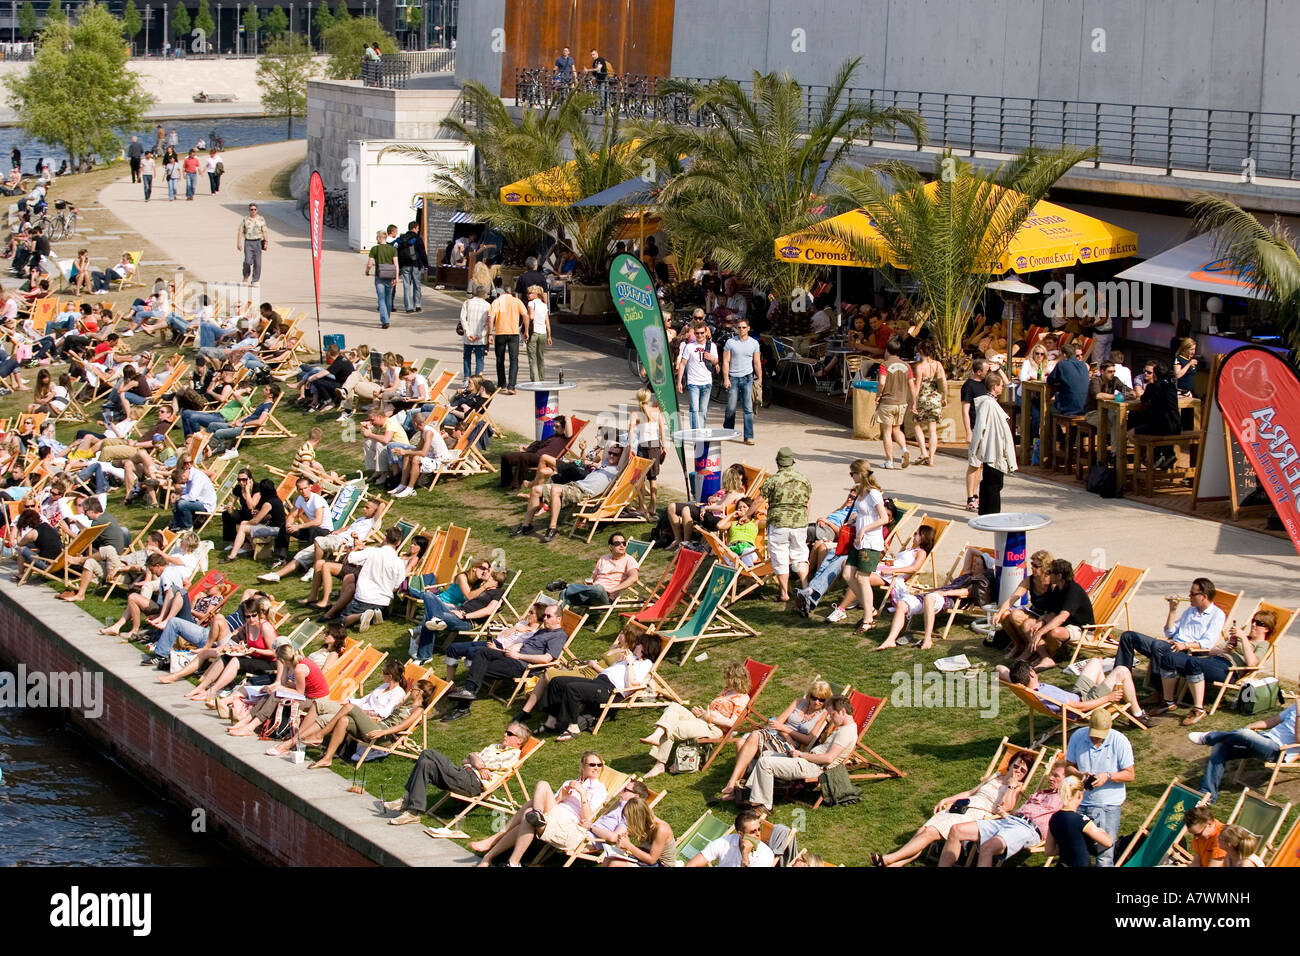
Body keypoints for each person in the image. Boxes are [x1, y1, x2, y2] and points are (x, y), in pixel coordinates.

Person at [872, 751, 1031, 866]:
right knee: (924, 831)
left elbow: (1007, 808)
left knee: (929, 833)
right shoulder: (996, 776)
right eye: (1016, 766)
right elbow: (971, 792)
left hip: (978, 814)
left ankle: (889, 859)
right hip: (963, 806)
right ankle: (896, 864)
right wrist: (948, 799)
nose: (1017, 771)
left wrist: (1011, 784)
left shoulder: (1017, 787)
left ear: (1025, 775)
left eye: (1022, 770)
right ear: (1010, 764)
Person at [470, 750, 608, 865]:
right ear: (583, 766)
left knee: (535, 802)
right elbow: (549, 802)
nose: (596, 767)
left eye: (599, 764)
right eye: (592, 764)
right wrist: (560, 798)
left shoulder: (600, 789)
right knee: (536, 798)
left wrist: (583, 793)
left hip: (570, 826)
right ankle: (507, 861)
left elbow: (588, 819)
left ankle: (493, 848)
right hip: (554, 816)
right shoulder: (569, 783)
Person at [1114, 577, 1226, 715]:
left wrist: (1184, 645)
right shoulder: (1190, 611)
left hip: (1188, 652)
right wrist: (1172, 611)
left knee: (1159, 647)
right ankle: (1120, 683)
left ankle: (1160, 693)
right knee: (1128, 636)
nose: (1189, 596)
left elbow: (1208, 642)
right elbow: (1169, 632)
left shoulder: (1217, 615)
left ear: (1204, 596)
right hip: (1172, 645)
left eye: (1192, 593)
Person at [382, 723, 529, 826]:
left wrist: (476, 761)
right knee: (425, 764)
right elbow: (468, 758)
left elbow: (479, 760)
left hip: (472, 783)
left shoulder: (512, 755)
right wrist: (476, 762)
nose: (504, 734)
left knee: (428, 753)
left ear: (519, 740)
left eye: (509, 734)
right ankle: (413, 811)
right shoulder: (494, 747)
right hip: (463, 774)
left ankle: (407, 801)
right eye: (506, 731)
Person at [442, 602, 569, 720]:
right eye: (545, 615)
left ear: (558, 619)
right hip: (511, 655)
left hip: (520, 665)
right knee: (482, 652)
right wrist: (511, 649)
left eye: (549, 616)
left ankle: (463, 706)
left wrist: (519, 656)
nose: (545, 618)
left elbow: (546, 658)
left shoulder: (558, 636)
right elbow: (525, 643)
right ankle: (468, 692)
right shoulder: (542, 631)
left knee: (479, 667)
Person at [525, 634, 660, 742]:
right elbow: (610, 671)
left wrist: (630, 664)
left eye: (638, 644)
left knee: (573, 689)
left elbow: (631, 685)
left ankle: (573, 727)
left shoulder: (646, 664)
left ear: (644, 647)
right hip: (599, 680)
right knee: (557, 682)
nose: (635, 646)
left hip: (610, 691)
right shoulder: (632, 658)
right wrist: (618, 662)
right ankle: (551, 722)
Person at [739, 694, 858, 812]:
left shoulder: (846, 732)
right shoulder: (846, 728)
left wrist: (801, 754)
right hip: (809, 760)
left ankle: (764, 805)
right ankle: (749, 792)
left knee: (765, 763)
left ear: (842, 712)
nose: (831, 719)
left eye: (832, 714)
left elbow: (828, 759)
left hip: (814, 767)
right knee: (766, 755)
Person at [938, 759, 1066, 866]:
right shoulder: (1041, 793)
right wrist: (1006, 814)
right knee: (956, 830)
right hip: (1011, 820)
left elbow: (1079, 783)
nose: (1050, 778)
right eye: (1052, 774)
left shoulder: (1065, 798)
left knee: (987, 848)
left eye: (1056, 776)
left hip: (1028, 829)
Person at [718, 680, 831, 800]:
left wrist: (785, 730)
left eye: (821, 700)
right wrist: (786, 733)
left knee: (749, 738)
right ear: (809, 695)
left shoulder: (823, 714)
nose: (817, 702)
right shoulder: (799, 702)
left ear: (826, 700)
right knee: (741, 741)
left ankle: (735, 787)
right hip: (777, 736)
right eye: (814, 698)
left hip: (791, 748)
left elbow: (809, 739)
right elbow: (777, 722)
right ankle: (735, 786)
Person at [639, 659, 751, 778]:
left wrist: (709, 718)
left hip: (713, 728)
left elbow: (732, 723)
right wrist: (702, 714)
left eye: (727, 677)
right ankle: (657, 735)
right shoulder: (726, 690)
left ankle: (659, 765)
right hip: (703, 720)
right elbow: (714, 710)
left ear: (735, 679)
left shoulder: (742, 698)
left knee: (673, 726)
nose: (725, 680)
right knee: (673, 707)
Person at [1161, 610, 1271, 728]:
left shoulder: (1263, 644)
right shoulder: (1238, 639)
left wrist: (1243, 638)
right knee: (1168, 657)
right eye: (1253, 621)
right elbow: (1212, 650)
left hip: (1228, 670)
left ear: (1267, 629)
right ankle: (1168, 702)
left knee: (1193, 662)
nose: (1253, 624)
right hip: (1213, 660)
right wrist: (1226, 650)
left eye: (1259, 623)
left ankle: (1198, 710)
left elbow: (1252, 663)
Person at [877, 547, 995, 652]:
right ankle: (891, 640)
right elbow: (970, 550)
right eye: (975, 562)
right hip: (937, 595)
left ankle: (927, 639)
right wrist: (985, 556)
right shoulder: (968, 573)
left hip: (949, 600)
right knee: (902, 604)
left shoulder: (980, 582)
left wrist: (944, 593)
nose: (974, 565)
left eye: (978, 564)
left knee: (929, 598)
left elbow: (965, 592)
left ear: (985, 570)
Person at [510, 441, 627, 543]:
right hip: (575, 486)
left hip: (586, 492)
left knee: (556, 489)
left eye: (615, 454)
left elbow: (627, 450)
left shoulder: (618, 469)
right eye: (610, 453)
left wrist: (632, 427)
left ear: (621, 457)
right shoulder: (605, 464)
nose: (611, 455)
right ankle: (526, 525)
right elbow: (607, 444)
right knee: (536, 489)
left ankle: (552, 527)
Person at [1189, 697, 1299, 803]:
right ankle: (1207, 795)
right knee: (1221, 747)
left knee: (1244, 734)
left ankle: (1209, 737)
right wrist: (1250, 726)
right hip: (1264, 740)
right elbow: (1274, 720)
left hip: (1279, 751)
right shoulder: (1296, 706)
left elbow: (1299, 740)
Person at [824, 459, 889, 633]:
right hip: (859, 541)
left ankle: (868, 618)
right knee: (847, 574)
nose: (851, 476)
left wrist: (864, 529)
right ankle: (870, 610)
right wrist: (855, 523)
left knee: (862, 578)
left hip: (870, 542)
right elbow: (865, 514)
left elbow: (884, 518)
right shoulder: (860, 492)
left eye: (852, 473)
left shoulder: (874, 493)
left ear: (860, 473)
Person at [1064, 710, 1135, 866]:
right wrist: (1080, 774)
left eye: (1100, 735)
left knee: (1104, 856)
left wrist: (1108, 776)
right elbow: (1068, 767)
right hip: (1081, 803)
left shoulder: (1120, 741)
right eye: (1094, 734)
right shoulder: (1078, 737)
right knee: (1076, 852)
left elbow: (1130, 774)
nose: (1096, 738)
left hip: (1108, 806)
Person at [999, 658, 1147, 722]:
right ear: (1032, 673)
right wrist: (1108, 698)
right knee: (1122, 670)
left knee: (1095, 662)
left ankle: (1108, 703)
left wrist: (1016, 682)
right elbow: (1078, 707)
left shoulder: (1026, 688)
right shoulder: (1045, 694)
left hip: (1078, 693)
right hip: (1085, 703)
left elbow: (999, 668)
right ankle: (1137, 715)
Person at [760, 446, 812, 603]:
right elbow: (807, 501)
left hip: (779, 523)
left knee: (780, 557)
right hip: (800, 523)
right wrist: (803, 518)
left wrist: (747, 515)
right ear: (792, 462)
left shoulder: (773, 480)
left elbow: (759, 500)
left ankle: (784, 593)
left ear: (778, 462)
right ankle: (805, 586)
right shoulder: (803, 479)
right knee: (800, 555)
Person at [968, 369, 1017, 516]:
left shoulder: (989, 403)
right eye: (1000, 385)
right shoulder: (987, 404)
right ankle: (990, 513)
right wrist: (974, 450)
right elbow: (979, 429)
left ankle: (988, 513)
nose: (1002, 388)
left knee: (993, 482)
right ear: (994, 386)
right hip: (992, 449)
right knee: (993, 483)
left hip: (995, 448)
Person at [339, 527, 408, 631]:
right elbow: (397, 585)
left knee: (342, 621)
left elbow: (350, 559)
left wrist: (355, 548)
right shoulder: (399, 563)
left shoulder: (372, 551)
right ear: (398, 543)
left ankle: (361, 616)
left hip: (364, 598)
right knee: (373, 609)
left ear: (385, 538)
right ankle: (375, 614)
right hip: (383, 601)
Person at [667, 462, 745, 550]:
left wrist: (706, 508)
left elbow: (722, 507)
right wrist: (710, 503)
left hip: (716, 515)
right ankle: (680, 540)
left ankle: (685, 543)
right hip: (709, 509)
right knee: (675, 507)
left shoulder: (735, 492)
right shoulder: (728, 490)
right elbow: (716, 501)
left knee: (686, 509)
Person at [549, 532, 639, 609]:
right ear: (610, 547)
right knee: (564, 593)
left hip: (605, 597)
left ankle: (567, 585)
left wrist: (612, 589)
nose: (622, 545)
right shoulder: (603, 559)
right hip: (591, 593)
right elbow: (593, 579)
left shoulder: (629, 560)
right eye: (617, 543)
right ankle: (558, 622)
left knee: (599, 588)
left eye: (624, 543)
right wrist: (588, 584)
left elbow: (634, 578)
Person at [1045, 774, 1116, 867]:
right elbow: (1108, 842)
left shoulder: (1054, 818)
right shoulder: (1081, 820)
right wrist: (1101, 831)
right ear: (1079, 794)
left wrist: (1067, 847)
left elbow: (1049, 851)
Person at [686, 809, 775, 867]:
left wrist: (745, 857)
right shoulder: (725, 843)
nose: (758, 834)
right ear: (740, 834)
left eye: (759, 829)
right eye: (753, 832)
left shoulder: (765, 854)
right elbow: (692, 864)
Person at [628, 387, 668, 515]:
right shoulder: (656, 411)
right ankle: (653, 506)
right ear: (649, 398)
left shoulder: (635, 413)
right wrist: (664, 446)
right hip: (655, 445)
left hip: (643, 446)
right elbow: (662, 430)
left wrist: (630, 447)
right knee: (653, 477)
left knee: (638, 477)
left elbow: (631, 431)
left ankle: (642, 506)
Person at [722, 318, 761, 444]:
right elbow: (726, 361)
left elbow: (756, 362)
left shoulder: (754, 343)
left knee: (748, 408)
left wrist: (759, 378)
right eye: (739, 327)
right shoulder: (730, 342)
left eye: (744, 327)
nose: (741, 330)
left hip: (748, 378)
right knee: (731, 407)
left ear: (748, 328)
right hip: (733, 377)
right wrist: (726, 378)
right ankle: (728, 432)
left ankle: (749, 436)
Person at [875, 337, 912, 468]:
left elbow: (882, 382)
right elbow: (911, 385)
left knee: (887, 431)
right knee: (897, 428)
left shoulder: (884, 365)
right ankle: (904, 450)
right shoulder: (907, 366)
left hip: (888, 402)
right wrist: (913, 402)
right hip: (902, 402)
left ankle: (889, 461)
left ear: (887, 350)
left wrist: (878, 395)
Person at [675, 319, 717, 432]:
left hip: (707, 382)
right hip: (693, 382)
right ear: (694, 333)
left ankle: (701, 431)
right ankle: (695, 433)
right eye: (697, 333)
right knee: (694, 409)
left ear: (706, 333)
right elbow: (683, 364)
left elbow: (716, 362)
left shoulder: (712, 346)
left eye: (702, 333)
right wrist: (679, 382)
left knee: (703, 409)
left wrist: (712, 358)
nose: (700, 335)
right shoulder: (689, 347)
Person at [911, 339, 946, 467]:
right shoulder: (938, 365)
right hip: (935, 397)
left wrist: (913, 402)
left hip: (923, 397)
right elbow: (943, 382)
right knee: (933, 429)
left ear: (920, 351)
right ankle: (931, 458)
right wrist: (944, 397)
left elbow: (917, 385)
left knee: (916, 424)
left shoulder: (919, 367)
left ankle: (923, 452)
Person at [961, 358, 988, 511]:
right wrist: (968, 431)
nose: (989, 372)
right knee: (973, 463)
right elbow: (965, 410)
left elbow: (1005, 382)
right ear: (979, 372)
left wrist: (999, 369)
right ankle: (970, 496)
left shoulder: (986, 383)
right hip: (974, 427)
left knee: (980, 464)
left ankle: (975, 494)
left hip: (984, 428)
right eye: (987, 370)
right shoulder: (968, 386)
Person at [489, 282, 526, 393]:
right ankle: (511, 386)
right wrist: (525, 329)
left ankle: (502, 384)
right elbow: (526, 315)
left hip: (500, 333)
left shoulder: (497, 302)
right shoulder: (517, 301)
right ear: (511, 292)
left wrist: (490, 333)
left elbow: (491, 318)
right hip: (513, 333)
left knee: (500, 359)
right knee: (513, 359)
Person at [365, 228, 398, 330]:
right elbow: (396, 264)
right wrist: (396, 277)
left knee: (381, 299)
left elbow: (370, 263)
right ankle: (386, 318)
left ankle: (385, 320)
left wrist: (367, 271)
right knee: (388, 298)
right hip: (390, 276)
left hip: (379, 276)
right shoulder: (392, 249)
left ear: (379, 238)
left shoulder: (375, 249)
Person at [170, 460, 216, 531]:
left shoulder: (197, 478)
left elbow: (192, 497)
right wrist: (176, 495)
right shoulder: (190, 476)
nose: (182, 484)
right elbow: (187, 492)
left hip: (205, 504)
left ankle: (187, 527)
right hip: (198, 500)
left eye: (182, 482)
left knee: (182, 504)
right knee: (178, 502)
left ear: (183, 476)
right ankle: (177, 524)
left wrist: (179, 497)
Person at [459, 284, 491, 383]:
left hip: (468, 337)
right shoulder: (487, 305)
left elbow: (463, 318)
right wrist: (481, 335)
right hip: (480, 339)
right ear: (485, 294)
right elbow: (488, 323)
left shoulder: (467, 303)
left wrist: (468, 332)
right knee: (479, 359)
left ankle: (467, 378)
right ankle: (477, 380)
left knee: (467, 358)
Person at [396, 221, 428, 313]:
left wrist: (399, 265)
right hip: (415, 264)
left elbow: (398, 252)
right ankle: (417, 305)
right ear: (415, 228)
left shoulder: (401, 239)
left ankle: (408, 307)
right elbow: (422, 252)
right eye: (418, 228)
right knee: (417, 285)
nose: (418, 230)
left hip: (405, 265)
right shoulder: (418, 238)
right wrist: (426, 265)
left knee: (407, 286)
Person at [524, 284, 550, 381]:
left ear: (537, 294)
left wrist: (526, 320)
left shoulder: (531, 304)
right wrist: (549, 335)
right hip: (543, 333)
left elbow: (531, 317)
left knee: (532, 357)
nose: (528, 295)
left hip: (534, 332)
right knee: (540, 356)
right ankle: (542, 377)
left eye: (530, 293)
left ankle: (535, 379)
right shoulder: (544, 305)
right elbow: (547, 321)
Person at [236, 202, 267, 283]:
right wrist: (238, 243)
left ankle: (255, 280)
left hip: (258, 242)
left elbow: (264, 231)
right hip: (248, 242)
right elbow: (240, 231)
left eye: (254, 209)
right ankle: (245, 276)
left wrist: (266, 242)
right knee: (247, 261)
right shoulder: (245, 219)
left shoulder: (261, 219)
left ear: (257, 210)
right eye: (251, 209)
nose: (253, 211)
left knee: (258, 263)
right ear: (249, 210)